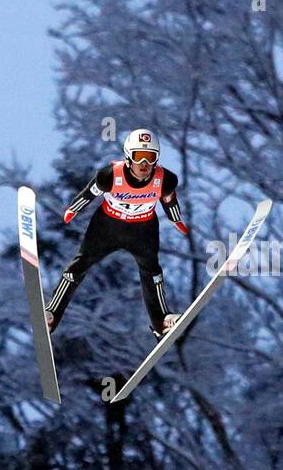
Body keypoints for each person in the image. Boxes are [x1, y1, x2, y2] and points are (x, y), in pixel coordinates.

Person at [45, 128, 189, 337]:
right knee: (80, 264)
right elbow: (89, 193)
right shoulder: (110, 175)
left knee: (152, 272)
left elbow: (169, 200)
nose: (144, 164)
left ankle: (162, 322)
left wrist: (176, 219)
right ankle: (52, 313)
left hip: (143, 229)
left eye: (150, 158)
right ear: (128, 156)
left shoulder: (164, 179)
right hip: (107, 226)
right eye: (139, 157)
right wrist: (72, 210)